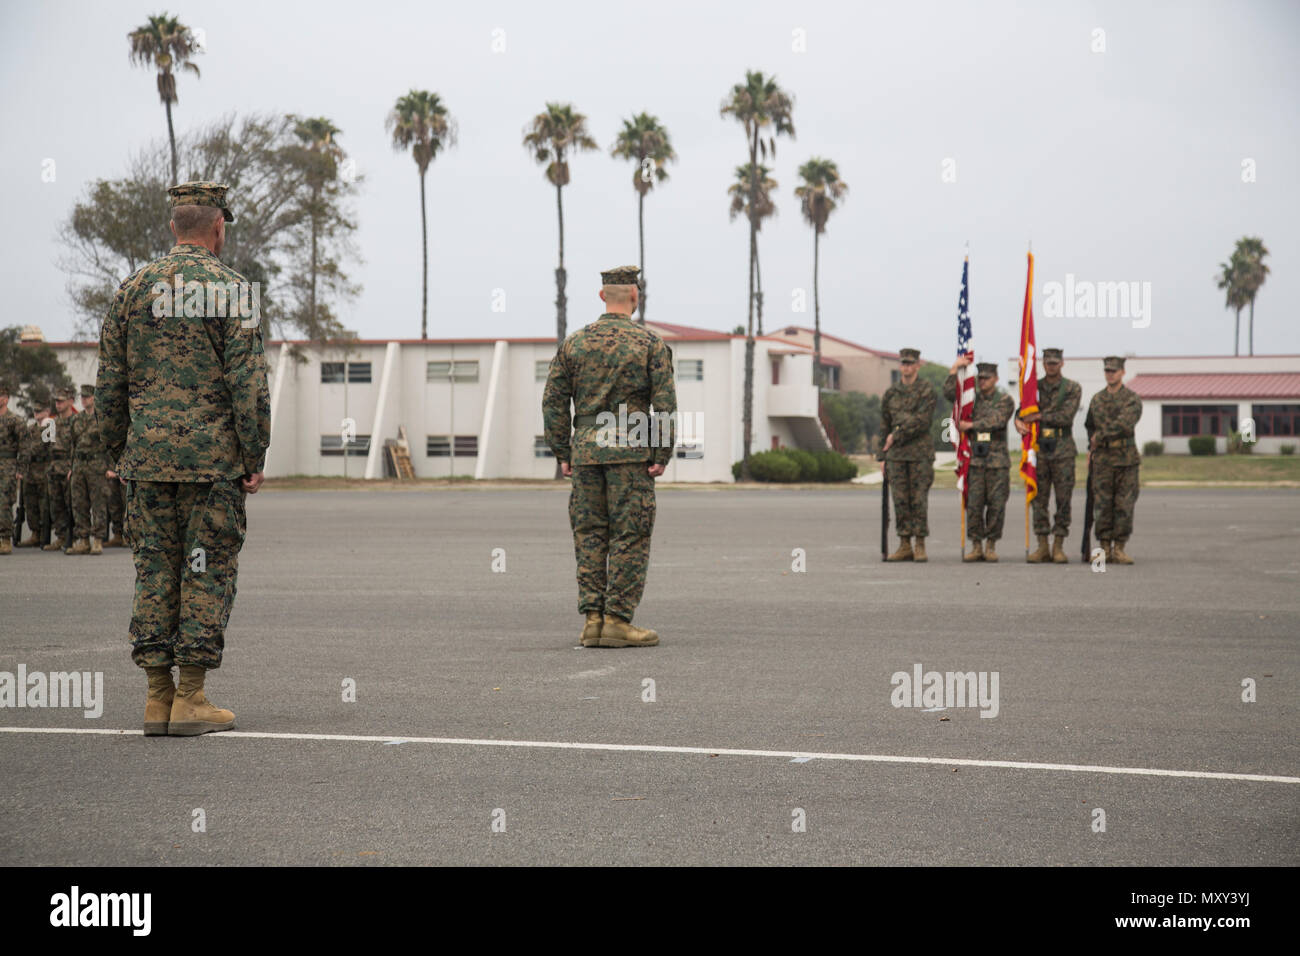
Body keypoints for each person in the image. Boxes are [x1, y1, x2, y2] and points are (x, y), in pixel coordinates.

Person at [97, 181, 271, 736]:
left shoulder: (132, 290)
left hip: (146, 464)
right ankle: (191, 698)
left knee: (154, 570)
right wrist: (254, 454)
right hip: (211, 466)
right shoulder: (233, 291)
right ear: (218, 227)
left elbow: (109, 382)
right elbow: (249, 385)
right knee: (205, 570)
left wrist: (114, 449)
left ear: (174, 226)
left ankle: (157, 698)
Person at [542, 265, 676, 648]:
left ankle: (593, 621)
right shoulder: (649, 344)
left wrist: (562, 450)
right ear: (635, 296)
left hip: (585, 454)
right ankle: (617, 620)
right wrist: (661, 451)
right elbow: (664, 404)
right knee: (629, 534)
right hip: (631, 452)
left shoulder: (575, 343)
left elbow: (553, 400)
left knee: (590, 534)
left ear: (603, 296)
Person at [1015, 348, 1081, 563]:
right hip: (1039, 449)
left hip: (1062, 450)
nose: (1051, 366)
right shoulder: (1034, 388)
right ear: (1043, 364)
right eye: (1048, 363)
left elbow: (1065, 417)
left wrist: (1040, 415)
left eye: (1055, 363)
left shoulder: (1071, 388)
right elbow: (1023, 410)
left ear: (1062, 363)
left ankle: (1058, 545)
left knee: (1063, 500)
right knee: (1038, 499)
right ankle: (1042, 545)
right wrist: (1017, 419)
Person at [945, 358, 1014, 561]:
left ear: (996, 379)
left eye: (987, 378)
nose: (983, 381)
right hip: (974, 460)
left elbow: (998, 420)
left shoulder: (1004, 400)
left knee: (996, 505)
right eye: (980, 378)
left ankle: (991, 545)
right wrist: (954, 368)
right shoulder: (970, 400)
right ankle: (976, 545)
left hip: (997, 461)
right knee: (974, 505)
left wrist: (972, 425)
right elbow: (951, 395)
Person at [879, 348, 937, 562]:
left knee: (919, 500)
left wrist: (897, 434)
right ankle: (904, 543)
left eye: (911, 363)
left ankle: (919, 543)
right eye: (904, 363)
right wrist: (881, 456)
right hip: (896, 456)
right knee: (900, 500)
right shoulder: (891, 393)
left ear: (918, 365)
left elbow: (922, 421)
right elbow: (884, 424)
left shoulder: (926, 390)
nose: (907, 367)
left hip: (920, 455)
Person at [1084, 356, 1142, 565]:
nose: (1110, 374)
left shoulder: (1131, 399)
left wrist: (1099, 437)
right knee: (1102, 505)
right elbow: (1089, 424)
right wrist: (1092, 447)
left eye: (1114, 371)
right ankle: (1105, 547)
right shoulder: (1097, 399)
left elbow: (1124, 425)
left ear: (1122, 373)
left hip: (1125, 459)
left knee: (1124, 505)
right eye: (1107, 371)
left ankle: (1119, 547)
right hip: (1103, 460)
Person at [67, 384, 109, 555]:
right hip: (79, 466)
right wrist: (71, 467)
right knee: (79, 504)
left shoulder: (102, 418)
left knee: (98, 503)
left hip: (96, 466)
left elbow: (110, 445)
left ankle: (98, 539)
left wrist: (110, 468)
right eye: (82, 397)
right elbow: (73, 445)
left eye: (87, 397)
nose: (83, 400)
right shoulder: (76, 419)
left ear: (94, 398)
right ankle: (83, 539)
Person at [15, 389, 53, 548]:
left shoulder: (50, 427)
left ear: (47, 411)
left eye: (40, 410)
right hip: (30, 471)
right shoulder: (30, 429)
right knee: (30, 504)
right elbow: (23, 448)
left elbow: (47, 446)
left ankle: (45, 534)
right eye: (35, 411)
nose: (37, 413)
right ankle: (34, 533)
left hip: (43, 470)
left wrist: (46, 425)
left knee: (44, 504)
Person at [42, 386, 78, 552]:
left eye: (61, 401)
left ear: (70, 401)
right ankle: (61, 536)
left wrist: (73, 467)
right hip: (54, 467)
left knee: (72, 504)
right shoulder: (52, 423)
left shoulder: (76, 421)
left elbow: (79, 446)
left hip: (68, 466)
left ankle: (76, 537)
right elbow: (45, 446)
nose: (58, 404)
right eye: (56, 401)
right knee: (56, 505)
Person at [0, 382, 24, 555]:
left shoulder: (15, 420)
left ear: (6, 399)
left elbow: (25, 445)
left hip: (7, 467)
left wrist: (21, 468)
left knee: (5, 503)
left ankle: (6, 539)